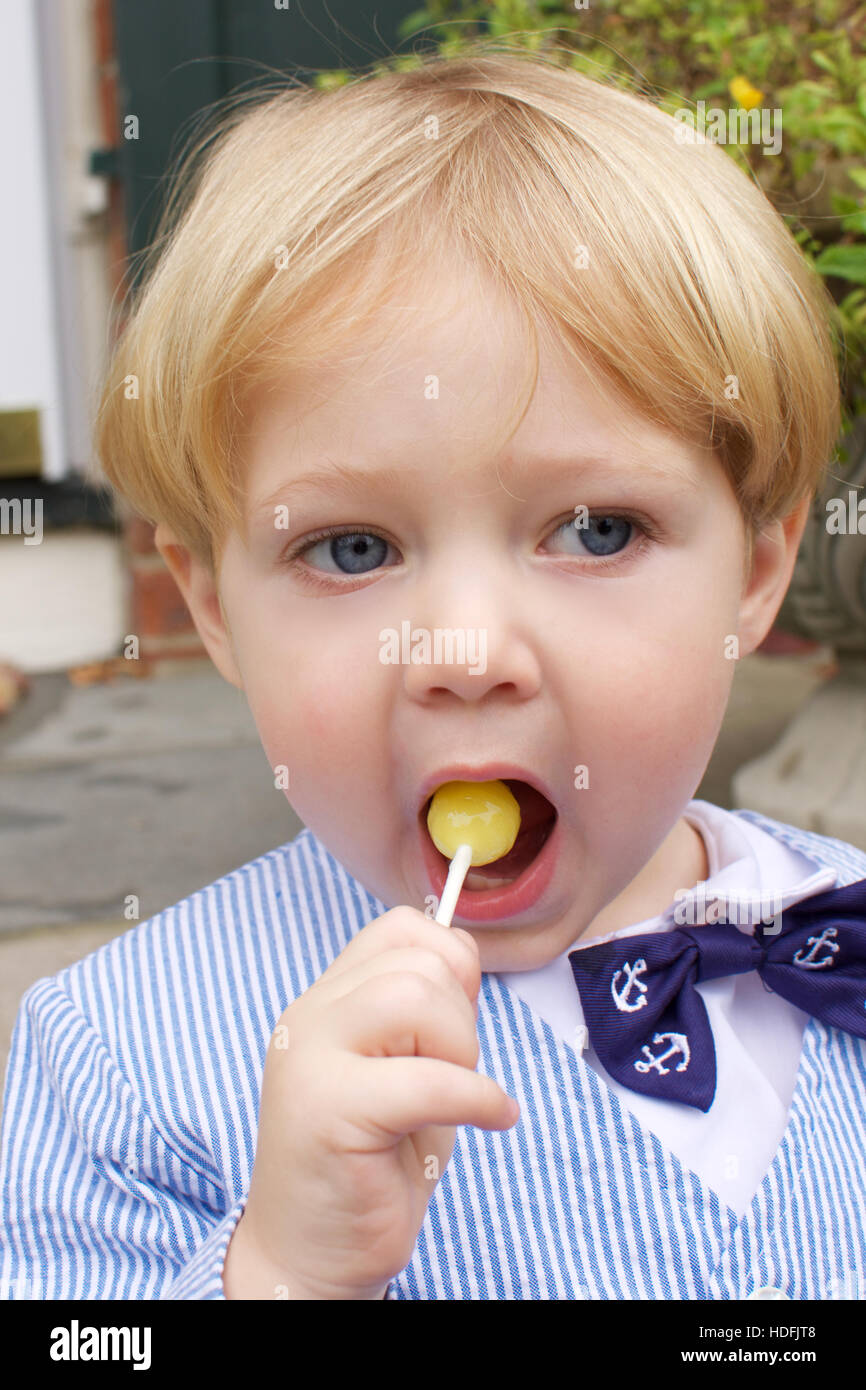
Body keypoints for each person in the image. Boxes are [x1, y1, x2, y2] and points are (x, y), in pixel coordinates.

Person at [2, 39, 864, 1301]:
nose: (461, 655)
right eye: (351, 548)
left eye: (594, 530)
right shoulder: (121, 1057)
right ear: (213, 610)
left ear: (751, 574)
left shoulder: (837, 927)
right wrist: (279, 1275)